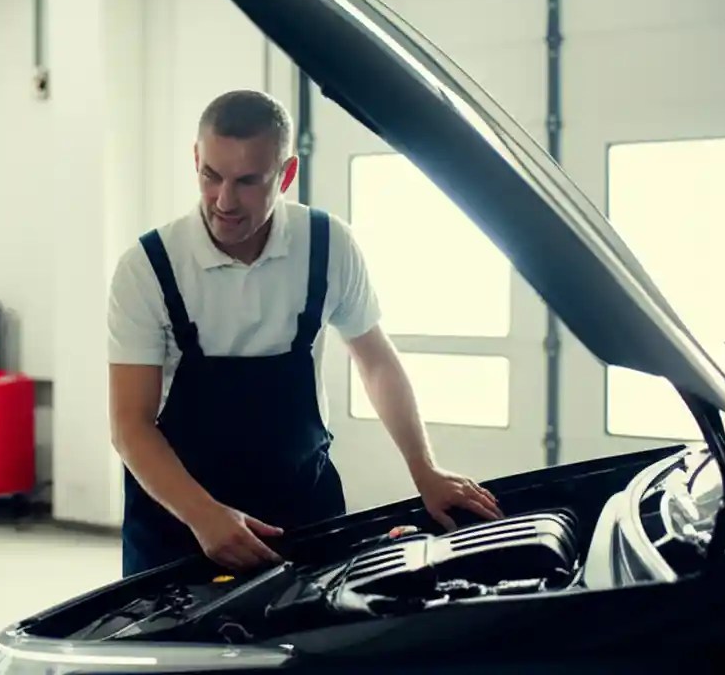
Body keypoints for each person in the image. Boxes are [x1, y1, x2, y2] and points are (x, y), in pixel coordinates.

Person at [107, 90, 504, 577]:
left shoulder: (327, 245)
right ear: (196, 158)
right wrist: (205, 516)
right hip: (178, 521)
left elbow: (376, 362)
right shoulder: (148, 267)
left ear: (286, 173)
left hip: (299, 508)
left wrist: (424, 468)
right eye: (211, 176)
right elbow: (131, 424)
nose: (224, 201)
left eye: (248, 181)